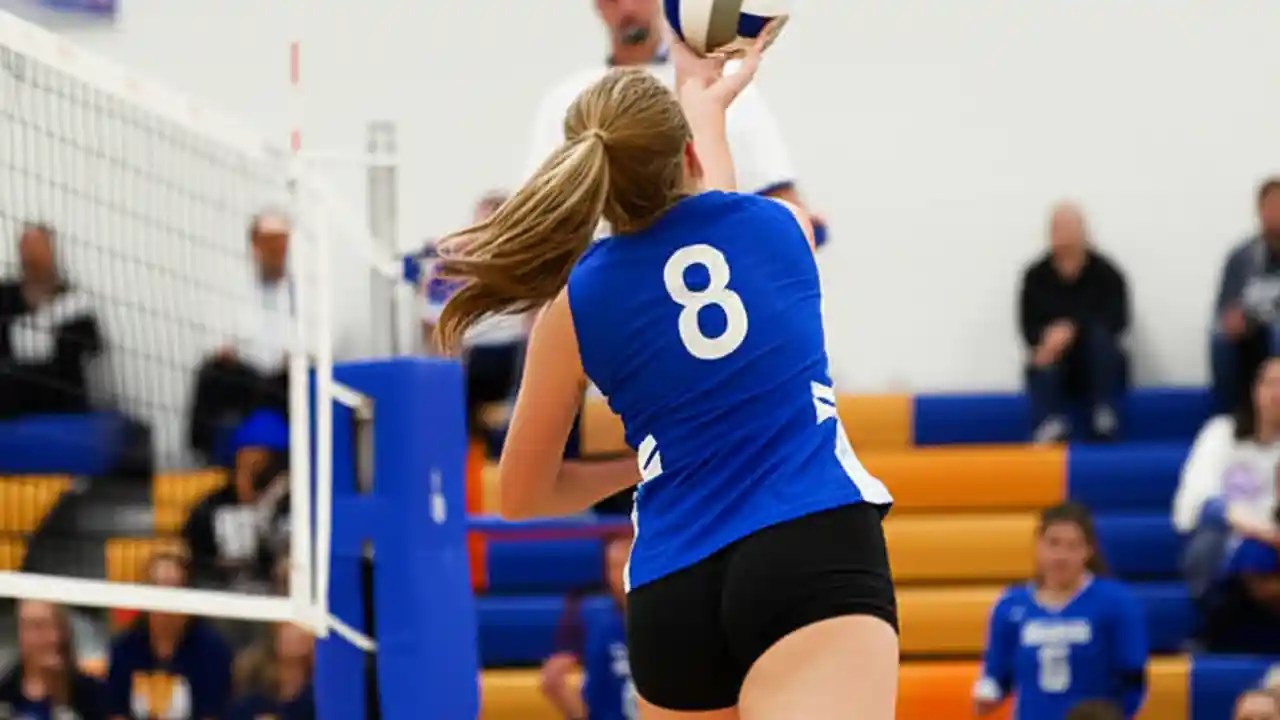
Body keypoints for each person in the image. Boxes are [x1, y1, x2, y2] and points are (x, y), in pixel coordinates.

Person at [435, 27, 896, 720]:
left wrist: (642, 467)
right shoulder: (782, 227)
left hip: (672, 585)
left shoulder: (576, 305)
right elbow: (718, 211)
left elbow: (522, 496)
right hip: (808, 542)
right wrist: (709, 101)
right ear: (685, 153)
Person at [525, 0, 824, 236]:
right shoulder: (565, 101)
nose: (628, 7)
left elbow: (783, 204)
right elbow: (539, 218)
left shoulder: (724, 87)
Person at [974, 503, 1148, 720]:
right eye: (1053, 544)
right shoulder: (1011, 606)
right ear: (1038, 545)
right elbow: (995, 676)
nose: (1061, 556)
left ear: (1088, 550)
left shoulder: (1116, 603)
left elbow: (1133, 679)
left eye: (1072, 546)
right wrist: (986, 694)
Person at [187, 209, 293, 465]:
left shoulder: (302, 291)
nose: (276, 250)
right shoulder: (230, 286)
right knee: (211, 373)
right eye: (269, 242)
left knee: (292, 382)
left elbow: (313, 341)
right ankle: (202, 458)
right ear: (255, 245)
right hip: (247, 377)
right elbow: (217, 339)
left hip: (286, 379)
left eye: (281, 242)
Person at [1018, 204, 1129, 444]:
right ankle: (1050, 423)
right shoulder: (1035, 276)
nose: (1064, 236)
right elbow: (1028, 327)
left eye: (1069, 228)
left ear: (1084, 233)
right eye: (1057, 229)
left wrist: (1073, 330)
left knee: (1100, 341)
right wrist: (1049, 341)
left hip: (1098, 362)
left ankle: (1103, 414)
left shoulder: (1106, 273)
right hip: (1056, 360)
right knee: (1040, 358)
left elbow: (1118, 321)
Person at [420, 192, 527, 437]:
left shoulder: (522, 262)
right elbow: (432, 325)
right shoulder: (451, 266)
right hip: (471, 355)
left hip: (512, 352)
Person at [1173, 357, 1280, 603]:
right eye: (1271, 383)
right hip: (1230, 535)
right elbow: (1199, 502)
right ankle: (1212, 627)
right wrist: (1259, 531)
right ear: (1255, 390)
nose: (1277, 393)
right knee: (1211, 542)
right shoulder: (1221, 433)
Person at [106, 551, 233, 720]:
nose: (164, 604)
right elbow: (116, 713)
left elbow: (211, 714)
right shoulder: (124, 648)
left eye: (173, 591)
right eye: (157, 590)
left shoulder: (213, 650)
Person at [0, 222, 103, 420]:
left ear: (51, 252)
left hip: (59, 405)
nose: (31, 257)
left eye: (38, 249)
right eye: (27, 250)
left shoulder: (75, 305)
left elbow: (81, 357)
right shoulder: (6, 299)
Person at [540, 534, 637, 720]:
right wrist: (558, 689)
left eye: (625, 565)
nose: (620, 575)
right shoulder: (600, 627)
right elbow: (589, 712)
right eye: (613, 567)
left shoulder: (674, 621)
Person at [1211, 178, 1280, 415]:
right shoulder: (1241, 257)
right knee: (1220, 338)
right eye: (1270, 206)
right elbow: (1224, 308)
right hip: (1251, 332)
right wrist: (1233, 321)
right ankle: (1234, 415)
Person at [0, 599, 107, 720]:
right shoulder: (5, 699)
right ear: (21, 635)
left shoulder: (98, 699)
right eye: (40, 628)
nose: (55, 637)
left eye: (59, 625)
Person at [225, 622, 315, 720]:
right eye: (285, 625)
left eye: (299, 625)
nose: (293, 633)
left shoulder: (320, 687)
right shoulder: (253, 677)